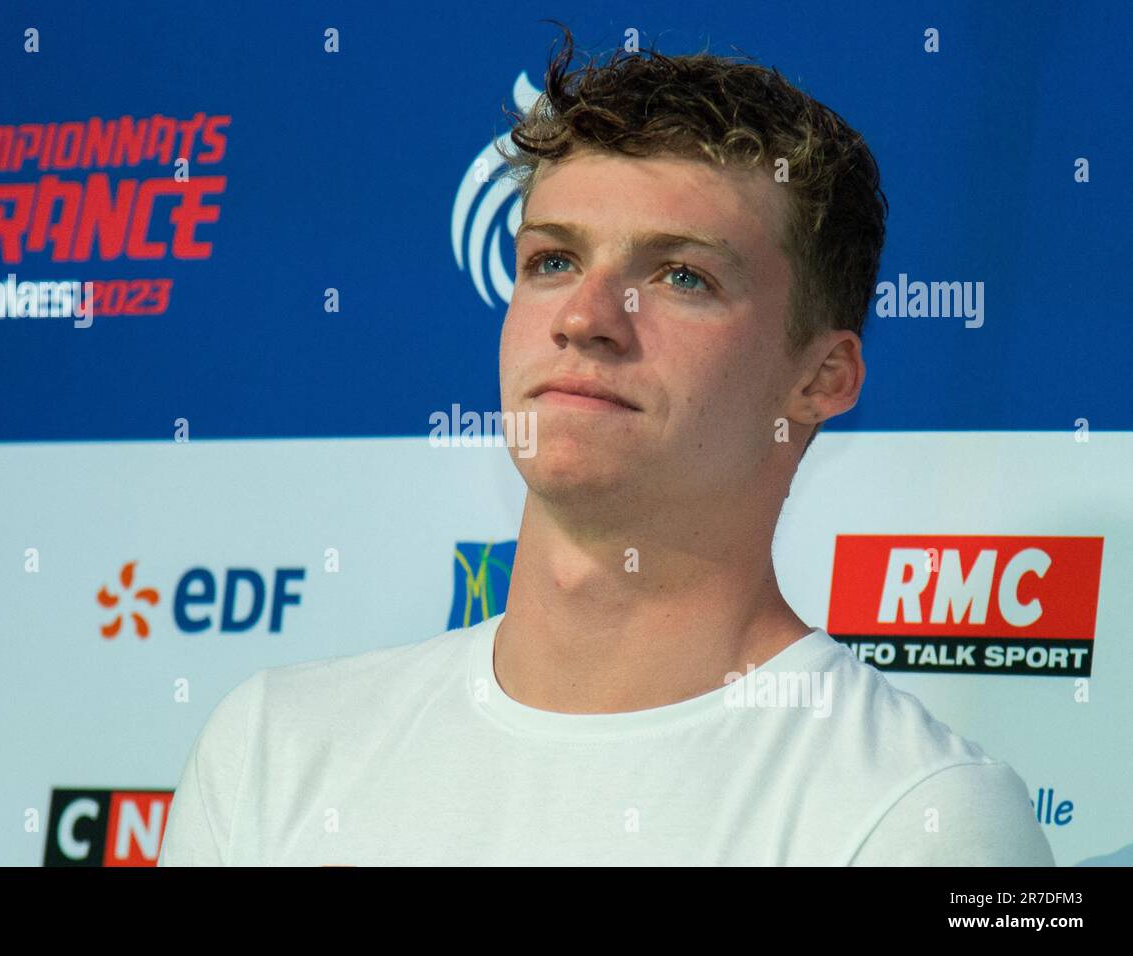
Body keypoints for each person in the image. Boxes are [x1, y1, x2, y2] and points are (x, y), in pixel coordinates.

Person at [158, 25, 1054, 866]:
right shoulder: (271, 751)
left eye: (681, 276)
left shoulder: (921, 817)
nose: (587, 318)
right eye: (552, 260)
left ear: (820, 380)